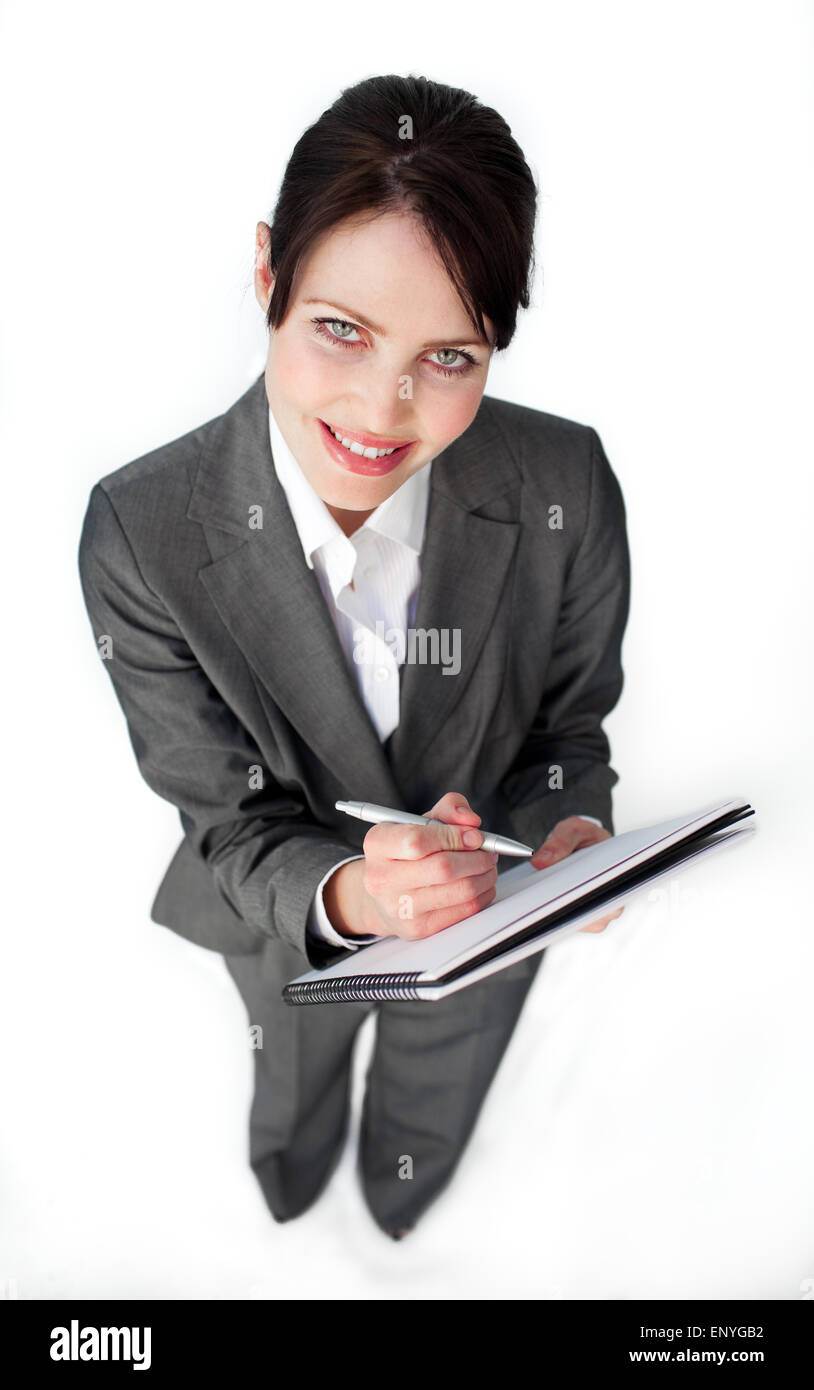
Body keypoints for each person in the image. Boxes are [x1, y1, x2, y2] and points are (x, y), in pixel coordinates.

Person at [78, 73, 630, 1240]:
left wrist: (569, 831)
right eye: (342, 329)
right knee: (293, 1068)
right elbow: (223, 822)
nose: (384, 411)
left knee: (446, 1071)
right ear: (269, 272)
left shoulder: (564, 485)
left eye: (451, 357)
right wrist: (350, 895)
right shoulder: (142, 530)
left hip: (488, 920)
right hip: (292, 924)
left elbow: (568, 731)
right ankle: (294, 1164)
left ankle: (402, 1197)